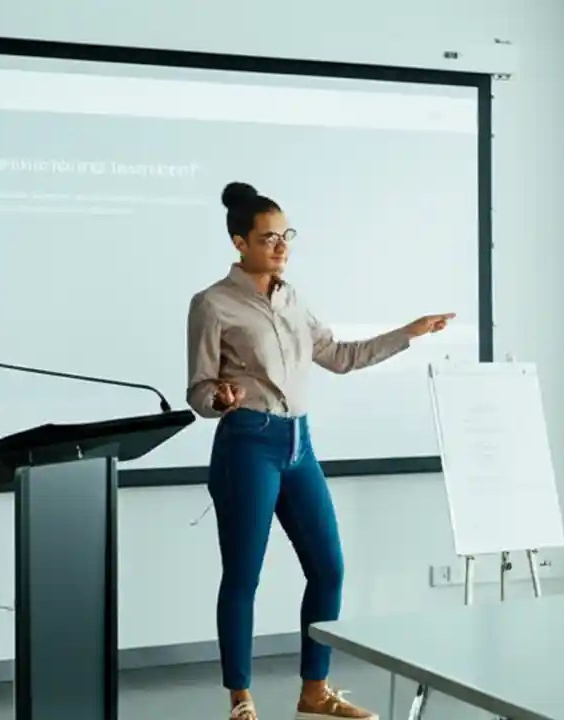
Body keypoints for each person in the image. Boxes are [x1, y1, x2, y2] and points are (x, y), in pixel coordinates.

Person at [187, 182, 454, 720]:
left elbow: (338, 356)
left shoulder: (293, 298)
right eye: (268, 237)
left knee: (329, 569)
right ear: (240, 242)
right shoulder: (213, 303)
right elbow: (198, 390)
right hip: (248, 446)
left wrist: (408, 333)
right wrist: (219, 397)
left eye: (286, 234)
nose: (281, 245)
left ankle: (315, 692)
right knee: (243, 576)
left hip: (299, 445)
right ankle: (241, 698)